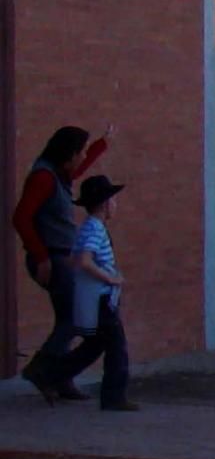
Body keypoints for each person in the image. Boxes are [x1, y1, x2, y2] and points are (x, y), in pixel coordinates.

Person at [11, 124, 112, 403]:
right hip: (52, 257)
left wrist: (100, 146)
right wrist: (41, 257)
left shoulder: (58, 174)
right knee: (74, 317)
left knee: (67, 316)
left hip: (62, 256)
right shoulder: (43, 177)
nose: (81, 160)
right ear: (67, 154)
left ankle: (61, 379)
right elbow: (21, 218)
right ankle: (42, 370)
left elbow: (77, 170)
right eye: (79, 153)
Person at [60, 175, 139, 411]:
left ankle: (51, 374)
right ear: (105, 203)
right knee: (117, 348)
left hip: (95, 297)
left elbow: (75, 260)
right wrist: (111, 278)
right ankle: (114, 396)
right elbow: (84, 261)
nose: (116, 205)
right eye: (114, 200)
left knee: (94, 345)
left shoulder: (88, 228)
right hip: (100, 298)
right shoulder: (95, 229)